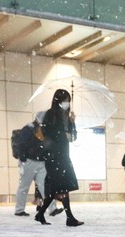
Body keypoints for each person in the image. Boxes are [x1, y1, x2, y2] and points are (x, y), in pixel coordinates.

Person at [34, 89, 83, 227]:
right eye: (65, 100)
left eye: (68, 101)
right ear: (59, 101)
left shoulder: (65, 116)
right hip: (54, 156)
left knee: (58, 188)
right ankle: (70, 218)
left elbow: (73, 137)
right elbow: (48, 134)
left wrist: (72, 122)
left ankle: (40, 214)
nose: (67, 103)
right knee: (62, 187)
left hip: (63, 155)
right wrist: (63, 135)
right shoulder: (51, 115)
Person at [13, 111, 58, 217]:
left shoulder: (45, 129)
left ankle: (52, 209)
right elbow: (21, 143)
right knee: (24, 186)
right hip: (29, 161)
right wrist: (23, 158)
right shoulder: (29, 128)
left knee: (45, 186)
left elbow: (48, 145)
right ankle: (19, 209)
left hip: (41, 161)